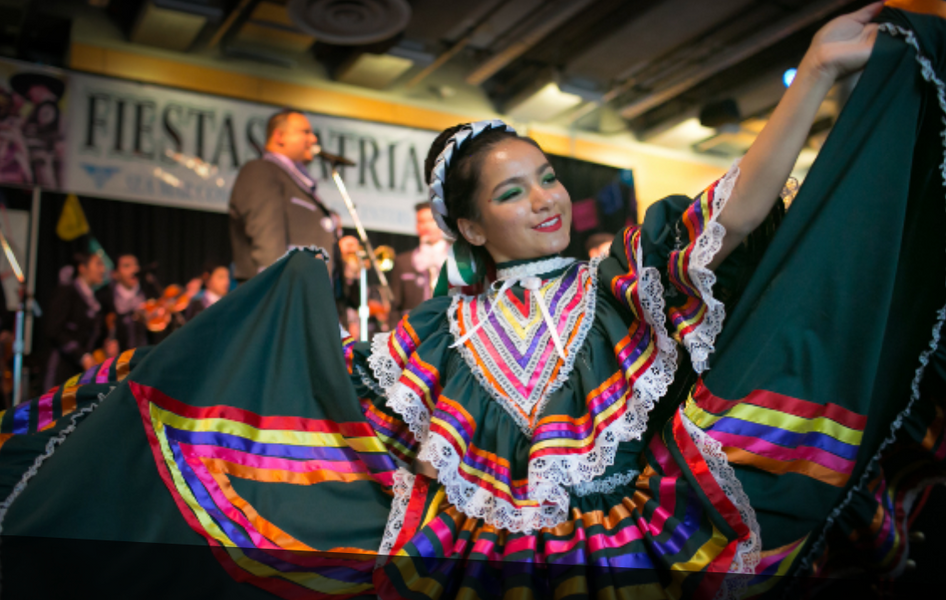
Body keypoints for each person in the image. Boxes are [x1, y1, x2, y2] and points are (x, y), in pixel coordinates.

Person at [1, 4, 944, 599]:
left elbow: (731, 211)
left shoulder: (614, 278)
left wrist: (816, 73)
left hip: (630, 549)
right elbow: (324, 407)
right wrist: (226, 345)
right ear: (469, 230)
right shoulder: (430, 338)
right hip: (461, 559)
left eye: (546, 178)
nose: (544, 198)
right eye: (511, 192)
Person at [228, 109, 338, 282]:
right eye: (305, 132)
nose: (313, 139)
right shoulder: (261, 171)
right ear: (279, 136)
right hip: (282, 296)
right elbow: (268, 241)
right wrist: (277, 296)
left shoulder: (295, 180)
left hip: (305, 294)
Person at [42, 252, 112, 390]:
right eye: (98, 264)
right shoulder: (67, 292)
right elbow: (53, 330)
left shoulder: (97, 300)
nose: (102, 269)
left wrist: (106, 344)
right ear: (82, 268)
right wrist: (82, 355)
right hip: (61, 367)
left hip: (82, 372)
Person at [386, 201, 449, 328]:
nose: (426, 227)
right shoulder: (403, 261)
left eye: (431, 221)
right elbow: (394, 308)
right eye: (420, 222)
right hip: (413, 333)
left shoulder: (457, 259)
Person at [95, 254, 159, 353]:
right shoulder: (105, 298)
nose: (134, 270)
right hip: (117, 359)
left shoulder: (149, 294)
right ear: (115, 274)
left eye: (135, 265)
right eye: (127, 266)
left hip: (144, 356)